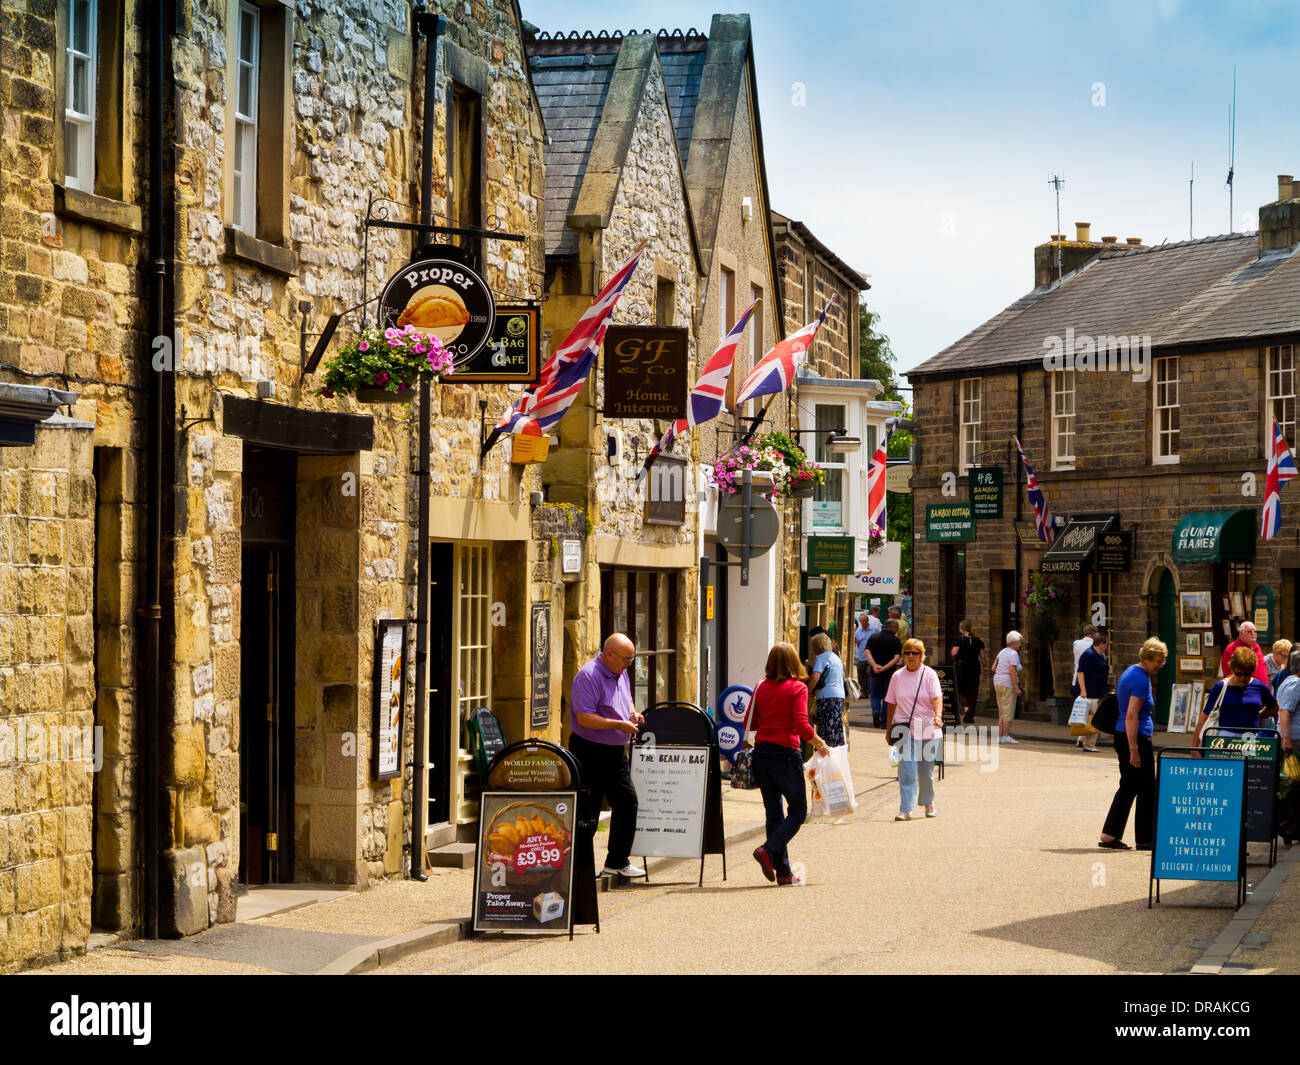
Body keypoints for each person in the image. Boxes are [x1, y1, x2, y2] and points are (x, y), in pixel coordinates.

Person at [744, 643, 830, 885]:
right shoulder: (798, 688)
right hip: (785, 753)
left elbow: (748, 723)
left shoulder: (760, 686)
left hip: (762, 754)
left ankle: (783, 873)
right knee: (798, 811)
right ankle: (767, 850)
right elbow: (802, 726)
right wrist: (820, 744)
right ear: (795, 663)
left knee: (773, 812)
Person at [568, 633, 645, 878]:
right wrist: (618, 725)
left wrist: (632, 714)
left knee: (627, 802)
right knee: (588, 813)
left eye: (632, 660)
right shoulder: (588, 676)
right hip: (589, 749)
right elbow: (584, 717)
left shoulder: (619, 671)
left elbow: (628, 700)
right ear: (609, 654)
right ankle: (576, 869)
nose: (629, 665)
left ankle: (616, 862)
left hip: (614, 751)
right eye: (627, 659)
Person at [1099, 637, 1167, 850]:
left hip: (1126, 735)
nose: (1160, 664)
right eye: (1158, 660)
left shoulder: (1133, 671)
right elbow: (1131, 715)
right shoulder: (1139, 679)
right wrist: (1134, 750)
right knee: (1147, 788)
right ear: (1146, 658)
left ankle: (1111, 834)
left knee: (1130, 786)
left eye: (1162, 660)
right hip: (1134, 736)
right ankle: (1144, 839)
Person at [885, 638, 943, 820]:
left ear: (921, 656)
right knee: (906, 769)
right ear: (903, 655)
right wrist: (888, 729)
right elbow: (891, 704)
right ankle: (906, 809)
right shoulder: (897, 676)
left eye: (915, 653)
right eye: (907, 652)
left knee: (925, 771)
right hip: (904, 728)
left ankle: (928, 801)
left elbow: (936, 698)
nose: (911, 656)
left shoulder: (929, 675)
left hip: (927, 727)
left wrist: (938, 714)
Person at [1193, 645, 1278, 744]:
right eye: (1238, 673)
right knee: (1224, 759)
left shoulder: (1259, 687)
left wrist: (1259, 715)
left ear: (1252, 671)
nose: (1242, 678)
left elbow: (1274, 707)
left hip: (1249, 738)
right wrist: (1194, 746)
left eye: (1247, 674)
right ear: (1233, 669)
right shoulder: (1221, 687)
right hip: (1223, 738)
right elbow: (1204, 716)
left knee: (1248, 760)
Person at [808, 632, 847, 748]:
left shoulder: (821, 658)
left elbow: (815, 677)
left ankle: (825, 759)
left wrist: (808, 690)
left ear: (817, 646)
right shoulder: (836, 658)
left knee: (825, 731)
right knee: (835, 730)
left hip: (826, 698)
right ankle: (835, 759)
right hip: (839, 698)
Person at [1074, 632, 1109, 752]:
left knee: (1091, 718)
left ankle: (1083, 740)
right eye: (1106, 645)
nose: (1107, 647)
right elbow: (1080, 672)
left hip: (1098, 692)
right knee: (1095, 720)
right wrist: (1083, 691)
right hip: (1090, 693)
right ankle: (1089, 745)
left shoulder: (1098, 655)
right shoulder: (1089, 654)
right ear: (1101, 644)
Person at [866, 619, 903, 728]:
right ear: (894, 628)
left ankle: (876, 710)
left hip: (875, 672)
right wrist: (885, 668)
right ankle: (884, 722)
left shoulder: (873, 637)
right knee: (888, 698)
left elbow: (867, 652)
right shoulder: (896, 641)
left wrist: (874, 666)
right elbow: (896, 658)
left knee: (874, 695)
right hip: (889, 674)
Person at [950, 620, 986, 724]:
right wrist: (985, 669)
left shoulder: (959, 640)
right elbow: (982, 657)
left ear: (962, 628)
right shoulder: (978, 641)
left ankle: (966, 706)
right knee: (973, 692)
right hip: (975, 669)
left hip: (962, 669)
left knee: (959, 690)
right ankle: (970, 717)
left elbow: (954, 653)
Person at [992, 631, 1023, 745]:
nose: (1020, 645)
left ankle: (1000, 736)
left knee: (1002, 711)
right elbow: (1012, 671)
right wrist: (1017, 688)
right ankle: (1005, 736)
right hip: (1007, 684)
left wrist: (1001, 672)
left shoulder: (1002, 651)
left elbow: (993, 667)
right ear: (1014, 643)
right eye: (1019, 642)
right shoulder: (1013, 654)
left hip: (997, 682)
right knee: (1008, 711)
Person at [1278, 647, 1300, 755]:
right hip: (1295, 739)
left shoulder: (1291, 680)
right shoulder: (1296, 683)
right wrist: (1286, 741)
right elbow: (1284, 711)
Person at [1071, 624, 1099, 698]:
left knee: (1078, 707)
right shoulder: (1096, 645)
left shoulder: (1076, 643)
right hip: (1091, 681)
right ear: (1093, 634)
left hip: (1076, 679)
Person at [853, 612, 873, 701]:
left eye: (864, 621)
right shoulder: (857, 632)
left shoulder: (874, 630)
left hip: (872, 657)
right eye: (861, 621)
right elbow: (856, 642)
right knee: (861, 676)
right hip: (861, 657)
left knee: (869, 673)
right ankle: (863, 692)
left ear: (867, 621)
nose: (863, 623)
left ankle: (870, 691)